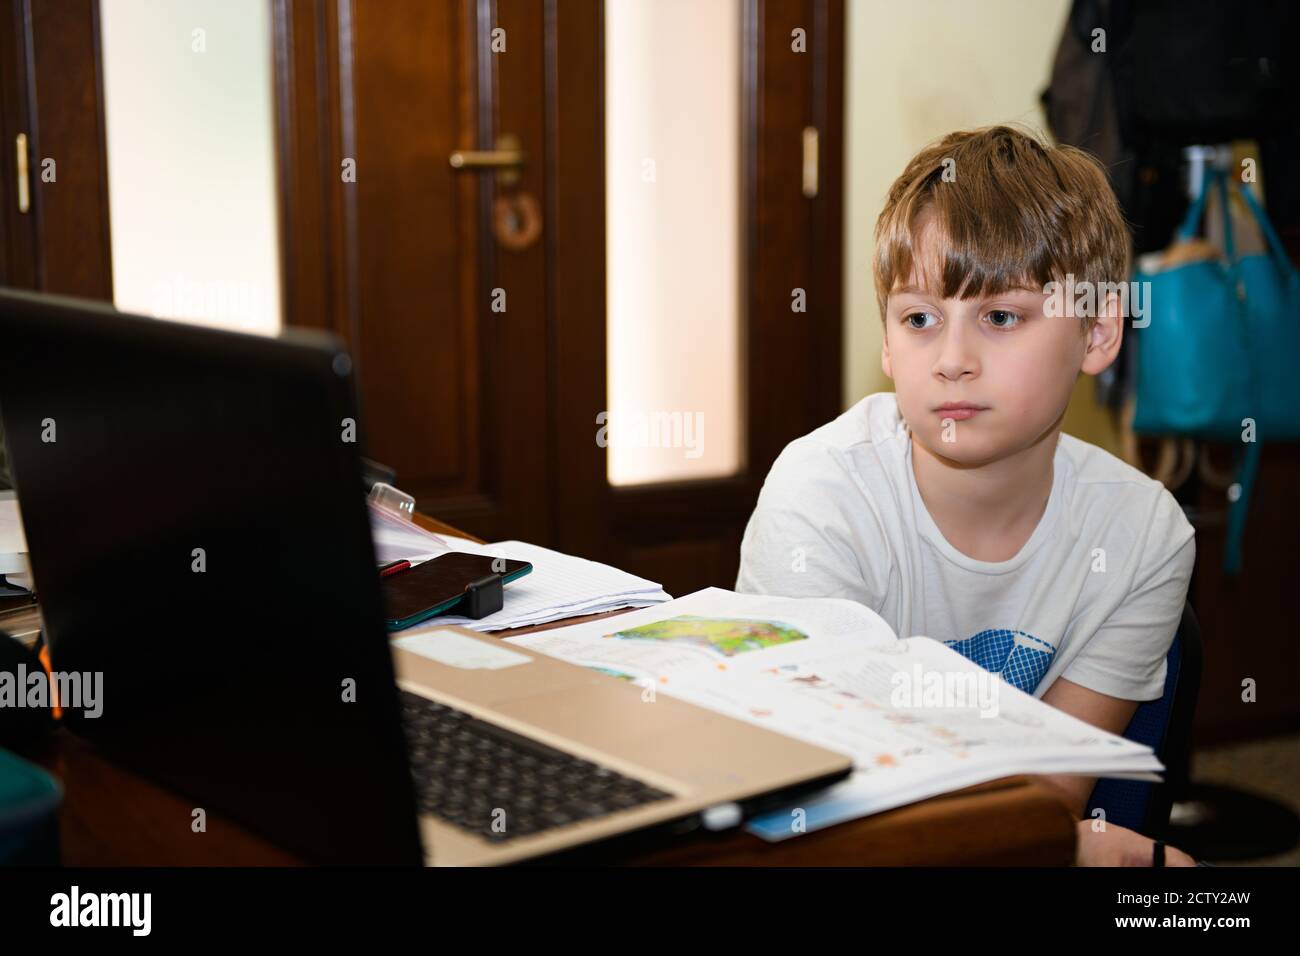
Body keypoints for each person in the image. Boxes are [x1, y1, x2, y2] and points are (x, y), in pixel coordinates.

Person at [737, 125, 1198, 866]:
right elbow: (809, 804)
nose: (951, 360)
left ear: (1099, 330)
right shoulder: (819, 497)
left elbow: (1049, 797)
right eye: (919, 319)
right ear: (887, 343)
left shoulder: (1143, 534)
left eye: (1000, 316)